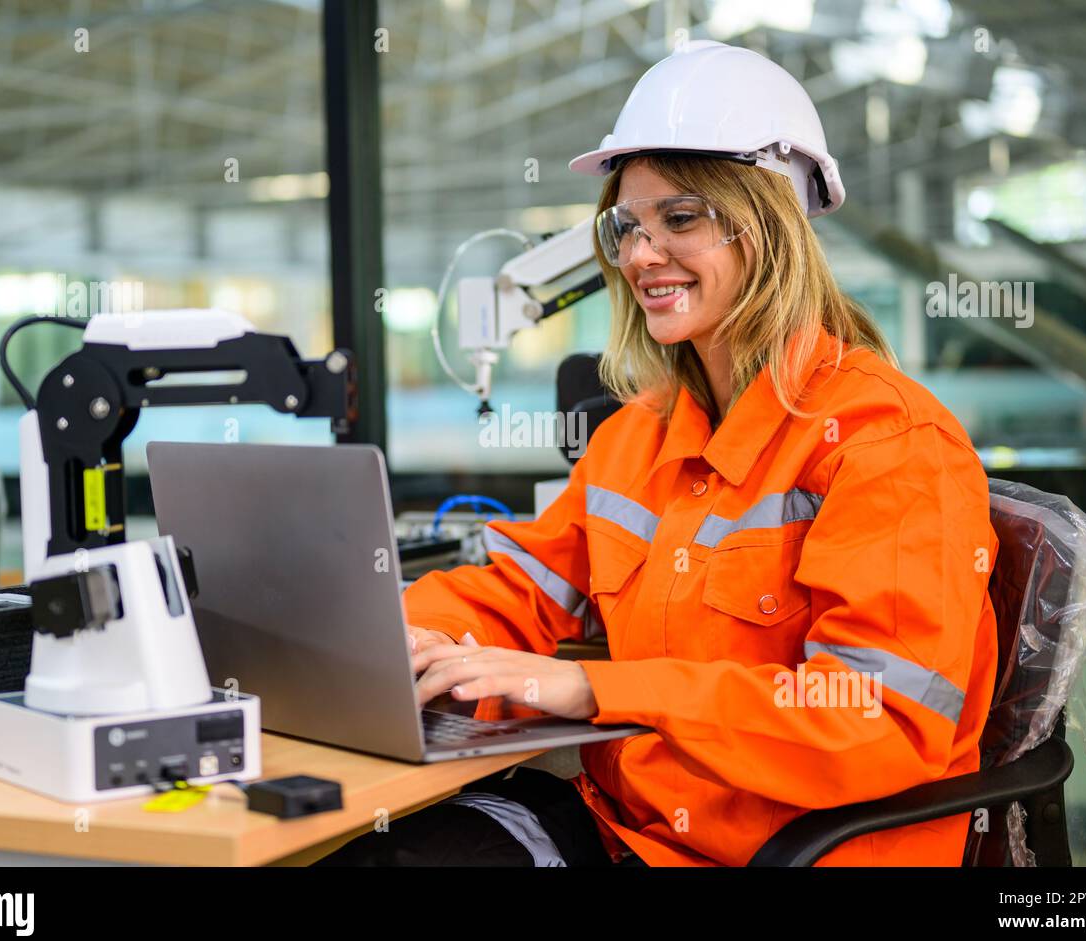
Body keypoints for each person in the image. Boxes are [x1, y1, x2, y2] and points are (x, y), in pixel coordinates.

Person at [318, 40, 997, 867]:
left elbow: (875, 717)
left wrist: (593, 687)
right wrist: (393, 637)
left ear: (769, 227)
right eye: (627, 226)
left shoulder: (887, 444)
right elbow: (519, 588)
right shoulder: (639, 433)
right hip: (628, 833)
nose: (641, 255)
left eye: (681, 219)